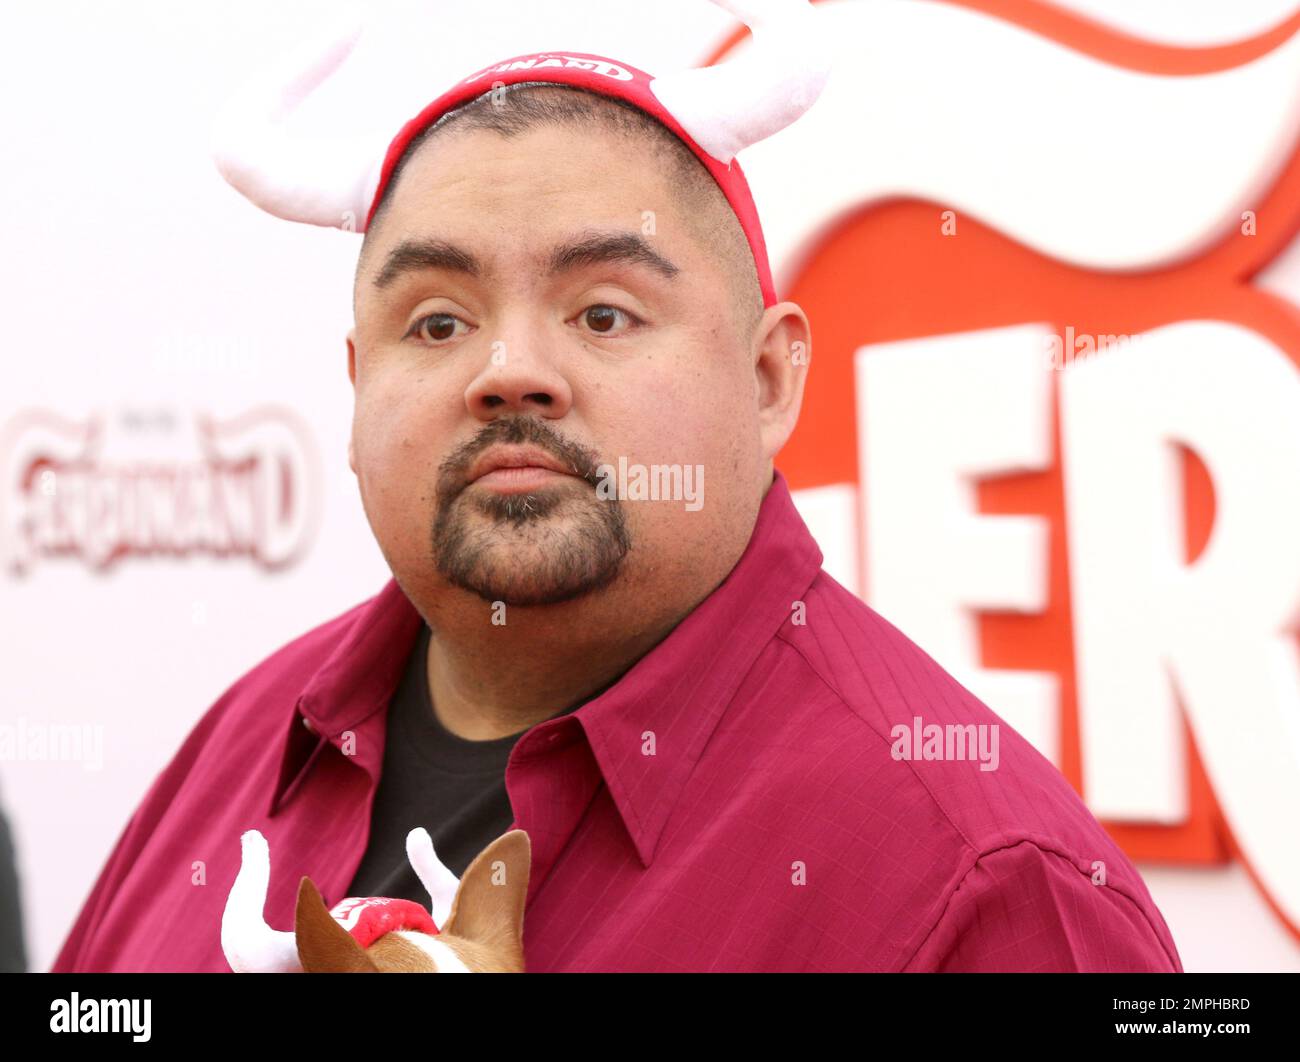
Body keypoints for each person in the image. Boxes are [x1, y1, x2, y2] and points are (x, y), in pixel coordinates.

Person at [52, 1, 1181, 972]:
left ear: (768, 377)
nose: (510, 375)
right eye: (437, 321)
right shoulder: (238, 749)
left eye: (603, 313)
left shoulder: (982, 886)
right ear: (357, 386)